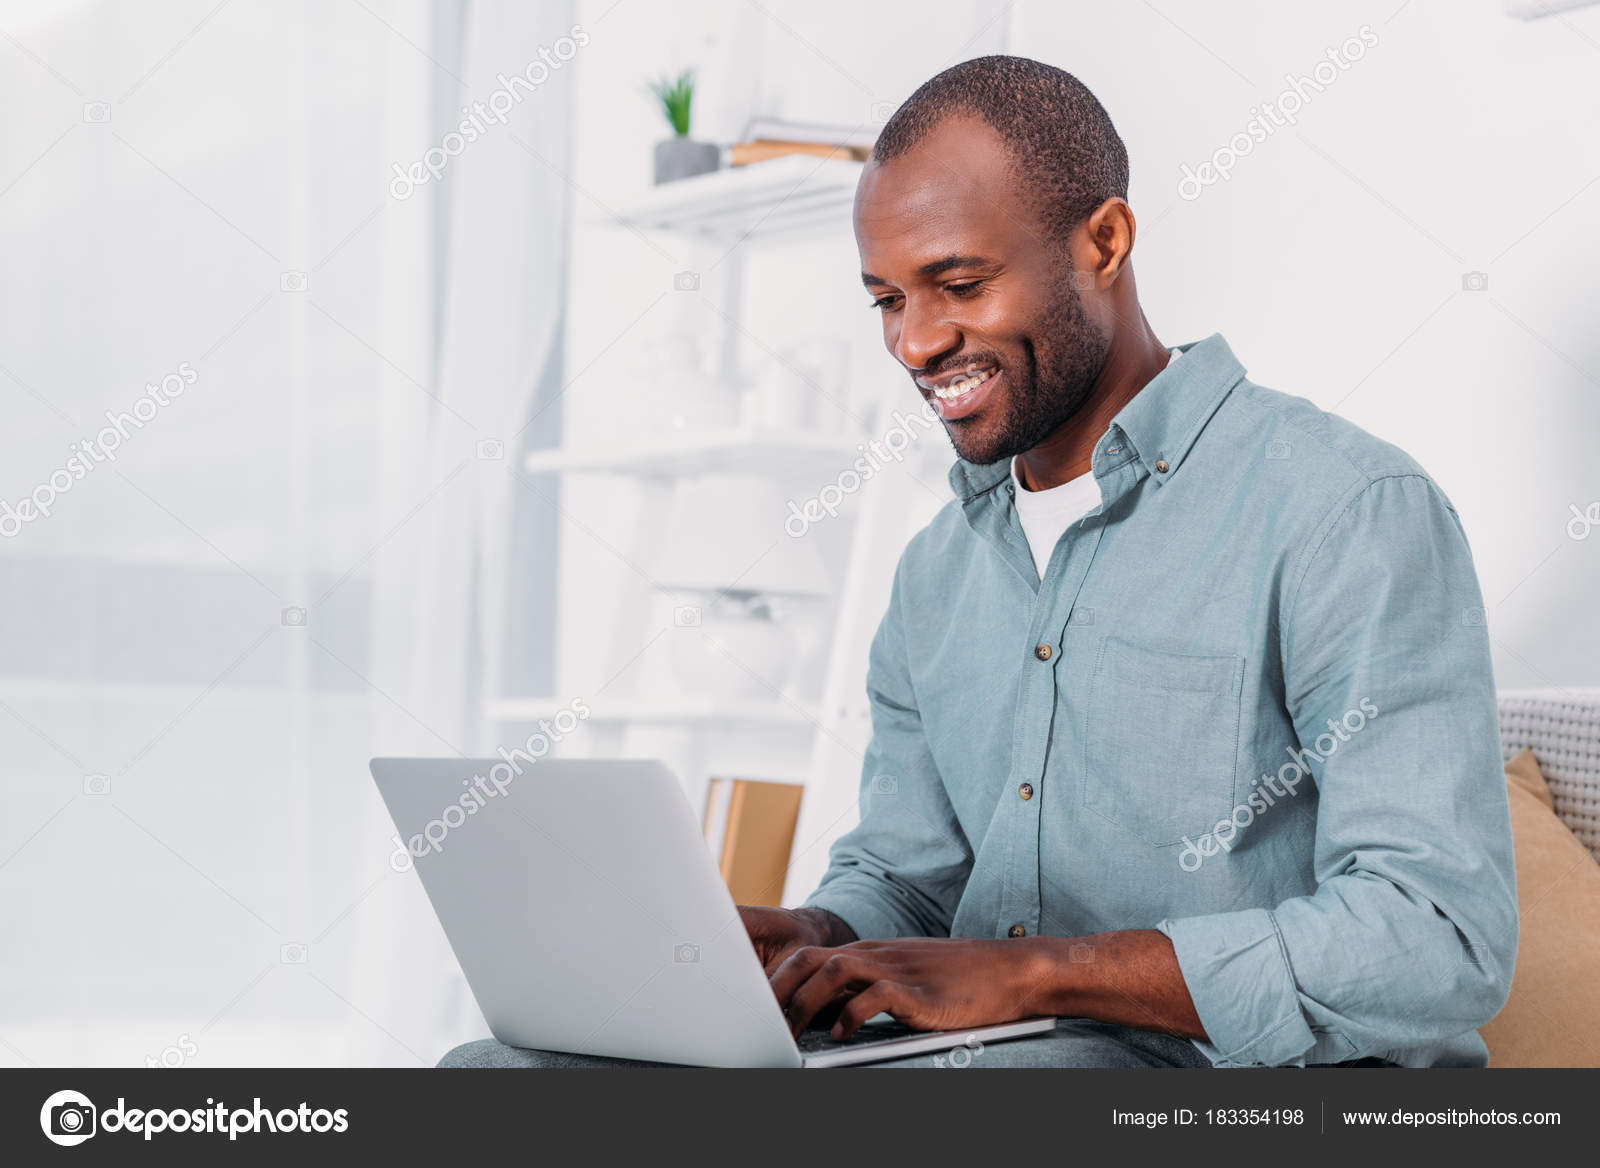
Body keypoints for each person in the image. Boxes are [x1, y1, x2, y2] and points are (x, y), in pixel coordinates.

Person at [442, 54, 1516, 1070]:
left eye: (957, 283)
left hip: (1228, 1080)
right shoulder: (936, 573)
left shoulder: (1344, 511)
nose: (913, 343)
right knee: (492, 1071)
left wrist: (1038, 971)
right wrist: (812, 938)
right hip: (999, 1064)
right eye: (887, 300)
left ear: (1102, 243)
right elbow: (910, 881)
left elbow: (1436, 934)